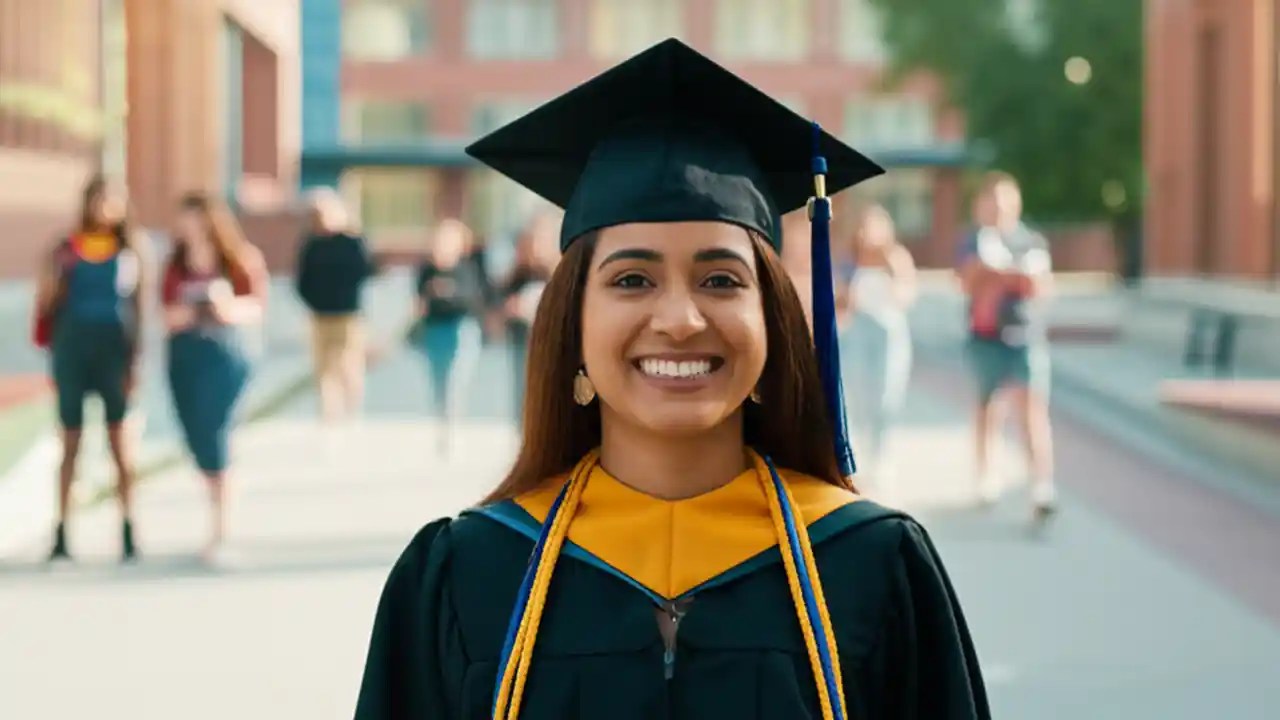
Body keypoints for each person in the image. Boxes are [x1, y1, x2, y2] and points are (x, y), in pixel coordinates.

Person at [355, 40, 988, 719]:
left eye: (721, 279)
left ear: (771, 321)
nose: (681, 319)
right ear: (573, 325)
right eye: (632, 280)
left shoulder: (870, 566)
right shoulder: (470, 574)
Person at [34, 175, 150, 563]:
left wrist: (135, 363)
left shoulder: (129, 251)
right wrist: (53, 277)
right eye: (99, 199)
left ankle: (128, 527)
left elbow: (138, 311)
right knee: (70, 443)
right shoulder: (66, 250)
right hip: (72, 351)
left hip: (113, 353)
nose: (105, 207)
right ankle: (63, 530)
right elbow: (46, 299)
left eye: (112, 200)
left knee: (120, 444)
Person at [162, 192, 268, 564]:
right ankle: (214, 497)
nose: (189, 228)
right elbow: (166, 314)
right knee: (196, 435)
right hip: (185, 356)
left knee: (217, 431)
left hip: (226, 354)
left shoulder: (238, 257)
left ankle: (220, 529)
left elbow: (256, 305)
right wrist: (189, 311)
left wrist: (225, 307)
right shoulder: (174, 264)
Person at [956, 172, 1056, 519]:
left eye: (1004, 202)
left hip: (1024, 335)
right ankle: (986, 474)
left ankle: (1041, 486)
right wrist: (1007, 275)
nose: (998, 209)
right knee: (987, 409)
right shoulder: (973, 241)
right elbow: (968, 280)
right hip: (984, 338)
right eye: (992, 201)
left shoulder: (1031, 241)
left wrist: (998, 274)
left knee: (1032, 412)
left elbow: (1039, 284)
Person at [841, 204, 917, 500]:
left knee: (886, 398)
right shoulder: (852, 261)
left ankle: (882, 460)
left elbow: (906, 294)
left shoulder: (895, 257)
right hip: (859, 333)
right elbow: (842, 302)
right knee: (859, 397)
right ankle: (858, 460)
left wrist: (889, 285)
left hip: (888, 333)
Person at [295, 188, 378, 424]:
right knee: (323, 369)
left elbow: (366, 271)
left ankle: (352, 412)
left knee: (348, 365)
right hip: (319, 315)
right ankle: (328, 416)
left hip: (347, 316)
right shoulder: (311, 244)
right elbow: (301, 280)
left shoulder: (352, 242)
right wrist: (313, 300)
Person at [412, 218, 487, 456]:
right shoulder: (426, 269)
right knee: (438, 381)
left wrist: (447, 292)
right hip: (434, 329)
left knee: (455, 381)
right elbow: (418, 298)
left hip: (460, 328)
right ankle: (442, 427)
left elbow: (473, 298)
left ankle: (454, 428)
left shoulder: (467, 267)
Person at [495, 210, 561, 426]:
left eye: (541, 238)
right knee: (523, 397)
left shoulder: (560, 272)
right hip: (523, 344)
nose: (536, 245)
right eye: (533, 238)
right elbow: (499, 304)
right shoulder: (519, 273)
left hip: (552, 347)